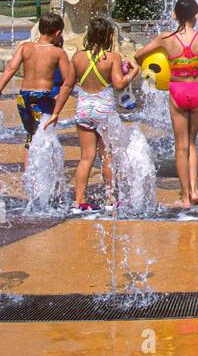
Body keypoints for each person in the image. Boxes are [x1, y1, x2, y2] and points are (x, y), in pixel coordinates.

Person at [49, 16, 135, 213]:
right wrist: (134, 72)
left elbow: (68, 85)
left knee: (86, 157)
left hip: (84, 109)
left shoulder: (78, 57)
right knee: (107, 157)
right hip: (104, 110)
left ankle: (79, 201)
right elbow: (120, 84)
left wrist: (56, 112)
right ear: (108, 36)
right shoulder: (113, 58)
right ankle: (110, 198)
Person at [133, 0, 198, 210]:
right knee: (192, 143)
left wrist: (151, 72)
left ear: (174, 15)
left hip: (178, 90)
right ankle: (195, 191)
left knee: (181, 146)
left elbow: (138, 56)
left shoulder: (165, 38)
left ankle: (185, 198)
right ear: (197, 15)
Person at [0, 12, 73, 160]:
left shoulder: (25, 47)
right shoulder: (58, 53)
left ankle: (30, 177)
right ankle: (48, 174)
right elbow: (68, 81)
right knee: (47, 137)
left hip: (24, 97)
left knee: (31, 137)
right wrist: (60, 98)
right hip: (43, 97)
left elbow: (10, 68)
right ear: (58, 33)